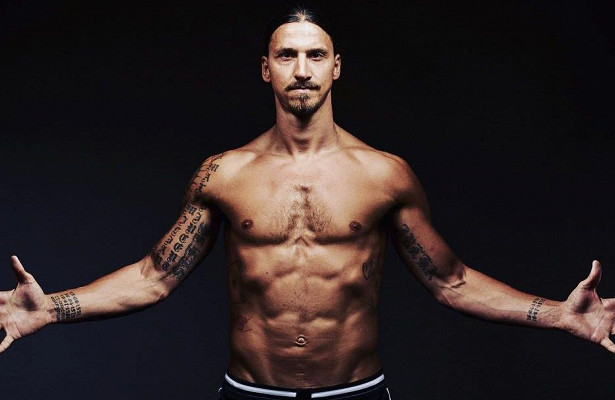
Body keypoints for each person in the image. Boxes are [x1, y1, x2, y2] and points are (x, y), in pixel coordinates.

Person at [1, 6, 614, 400]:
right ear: (265, 69)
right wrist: (51, 308)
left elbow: (450, 282)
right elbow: (154, 276)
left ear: (336, 68)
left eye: (315, 55)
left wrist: (558, 314)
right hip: (251, 394)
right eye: (287, 55)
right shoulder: (223, 173)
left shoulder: (384, 174)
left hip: (356, 394)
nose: (301, 69)